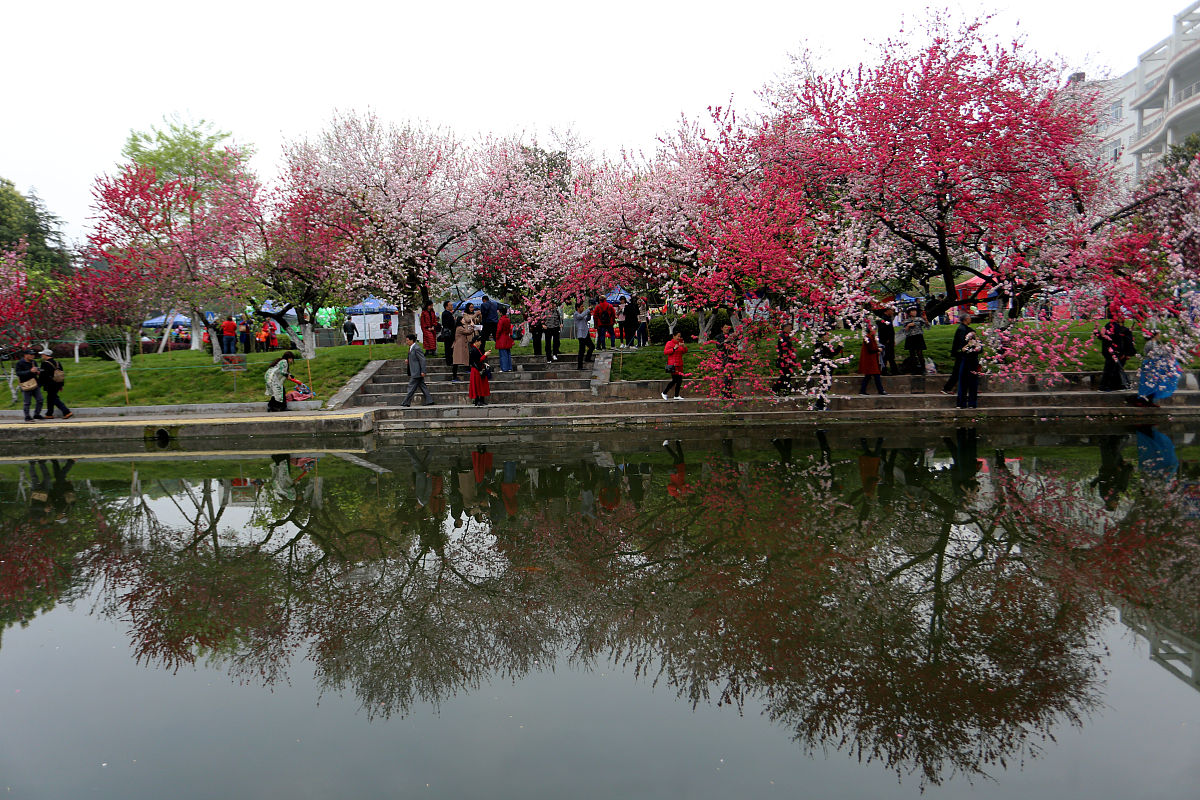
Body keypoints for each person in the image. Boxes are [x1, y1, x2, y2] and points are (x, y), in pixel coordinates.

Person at [1130, 328, 1181, 407]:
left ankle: (1150, 400)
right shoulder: (1151, 343)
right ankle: (1142, 400)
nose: (1159, 336)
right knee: (1148, 384)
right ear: (1155, 335)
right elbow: (1156, 353)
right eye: (1158, 334)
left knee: (1154, 384)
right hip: (1150, 366)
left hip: (1154, 366)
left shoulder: (1154, 343)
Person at [1097, 314, 1135, 391]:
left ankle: (1115, 385)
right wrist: (1121, 353)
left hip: (1112, 351)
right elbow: (1118, 340)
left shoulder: (1114, 327)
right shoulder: (1113, 327)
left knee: (1114, 369)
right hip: (1113, 351)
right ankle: (1105, 386)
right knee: (1110, 369)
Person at [941, 313, 974, 394]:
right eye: (969, 318)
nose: (971, 319)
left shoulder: (964, 328)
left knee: (962, 371)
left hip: (963, 353)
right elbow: (962, 341)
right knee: (957, 371)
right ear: (965, 319)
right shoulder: (961, 329)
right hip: (961, 354)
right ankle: (947, 388)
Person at [37, 348, 72, 419]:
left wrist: (39, 384)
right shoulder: (57, 363)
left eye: (42, 354)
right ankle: (49, 414)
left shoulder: (45, 363)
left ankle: (66, 412)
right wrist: (61, 385)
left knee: (54, 398)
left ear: (45, 355)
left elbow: (43, 375)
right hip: (58, 383)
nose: (42, 356)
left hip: (50, 384)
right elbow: (61, 374)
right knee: (50, 398)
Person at [400, 333, 433, 407]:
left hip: (416, 372)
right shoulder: (411, 348)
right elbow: (414, 358)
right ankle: (429, 400)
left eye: (407, 340)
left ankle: (406, 402)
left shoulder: (416, 348)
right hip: (414, 371)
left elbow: (422, 360)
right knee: (423, 386)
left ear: (412, 340)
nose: (407, 342)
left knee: (411, 387)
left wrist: (423, 371)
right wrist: (408, 360)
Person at [956, 331, 983, 409]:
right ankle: (961, 403)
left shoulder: (977, 342)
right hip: (965, 362)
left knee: (973, 384)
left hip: (974, 363)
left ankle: (972, 403)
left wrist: (976, 345)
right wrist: (968, 345)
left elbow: (980, 350)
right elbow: (960, 350)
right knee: (962, 383)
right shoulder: (963, 341)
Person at [15, 349, 44, 422]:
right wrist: (30, 371)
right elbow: (18, 373)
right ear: (25, 355)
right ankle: (27, 416)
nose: (32, 356)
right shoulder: (20, 363)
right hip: (26, 384)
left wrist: (38, 372)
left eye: (33, 354)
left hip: (35, 383)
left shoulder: (34, 362)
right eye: (31, 354)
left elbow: (36, 370)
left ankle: (36, 414)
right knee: (27, 402)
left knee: (40, 399)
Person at [857, 325, 887, 395]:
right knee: (875, 375)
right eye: (874, 330)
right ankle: (880, 390)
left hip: (871, 359)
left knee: (869, 376)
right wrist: (878, 349)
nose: (875, 331)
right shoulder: (869, 338)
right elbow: (871, 349)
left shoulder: (869, 337)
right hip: (870, 360)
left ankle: (863, 390)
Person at [661, 330, 687, 400]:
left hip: (680, 364)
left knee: (680, 380)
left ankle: (676, 395)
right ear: (674, 336)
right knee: (675, 380)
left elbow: (685, 351)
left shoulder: (680, 343)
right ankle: (664, 392)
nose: (679, 337)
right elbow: (665, 352)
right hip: (673, 364)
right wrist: (674, 349)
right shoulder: (669, 343)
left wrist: (684, 346)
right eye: (677, 336)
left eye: (679, 336)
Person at [901, 306, 928, 373]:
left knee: (920, 353)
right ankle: (913, 368)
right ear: (909, 313)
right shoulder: (906, 321)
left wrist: (926, 319)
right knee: (912, 354)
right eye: (912, 311)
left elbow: (927, 326)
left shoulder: (919, 319)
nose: (914, 312)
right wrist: (908, 325)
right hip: (910, 338)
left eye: (915, 311)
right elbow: (904, 331)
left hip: (918, 337)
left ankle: (923, 368)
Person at [468, 335, 491, 406]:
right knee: (478, 385)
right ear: (476, 342)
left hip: (478, 369)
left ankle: (481, 400)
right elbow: (477, 360)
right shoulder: (473, 350)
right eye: (479, 341)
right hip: (476, 370)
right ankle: (478, 400)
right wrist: (485, 355)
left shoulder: (475, 349)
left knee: (480, 385)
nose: (480, 343)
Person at [714, 322, 736, 398]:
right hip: (723, 358)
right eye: (725, 327)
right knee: (726, 376)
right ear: (722, 328)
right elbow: (719, 346)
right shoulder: (719, 337)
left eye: (728, 327)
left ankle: (729, 392)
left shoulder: (732, 336)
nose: (727, 329)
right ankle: (724, 393)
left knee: (730, 377)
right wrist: (725, 341)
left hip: (731, 357)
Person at [572, 301, 595, 370]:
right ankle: (580, 366)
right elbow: (581, 316)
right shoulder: (576, 314)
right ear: (577, 308)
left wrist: (589, 313)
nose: (583, 308)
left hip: (586, 333)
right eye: (581, 306)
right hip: (581, 335)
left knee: (592, 346)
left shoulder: (582, 314)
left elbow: (587, 319)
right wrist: (587, 310)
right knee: (581, 351)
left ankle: (588, 358)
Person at [452, 310, 474, 382]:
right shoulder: (460, 328)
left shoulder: (459, 328)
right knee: (457, 361)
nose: (464, 320)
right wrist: (472, 326)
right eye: (463, 319)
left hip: (460, 346)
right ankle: (454, 376)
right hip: (459, 347)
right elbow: (468, 332)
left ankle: (456, 375)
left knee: (459, 360)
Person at [876, 308, 898, 375]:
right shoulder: (883, 319)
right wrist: (887, 339)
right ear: (887, 311)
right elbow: (883, 330)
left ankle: (893, 370)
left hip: (889, 340)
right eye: (891, 310)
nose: (892, 312)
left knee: (890, 356)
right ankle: (885, 370)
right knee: (886, 356)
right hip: (886, 341)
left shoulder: (888, 318)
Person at [440, 301, 457, 365]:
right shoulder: (446, 314)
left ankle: (450, 359)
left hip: (450, 333)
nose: (452, 306)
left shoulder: (448, 313)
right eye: (450, 305)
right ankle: (449, 361)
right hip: (448, 333)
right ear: (447, 306)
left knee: (450, 347)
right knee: (448, 347)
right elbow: (448, 324)